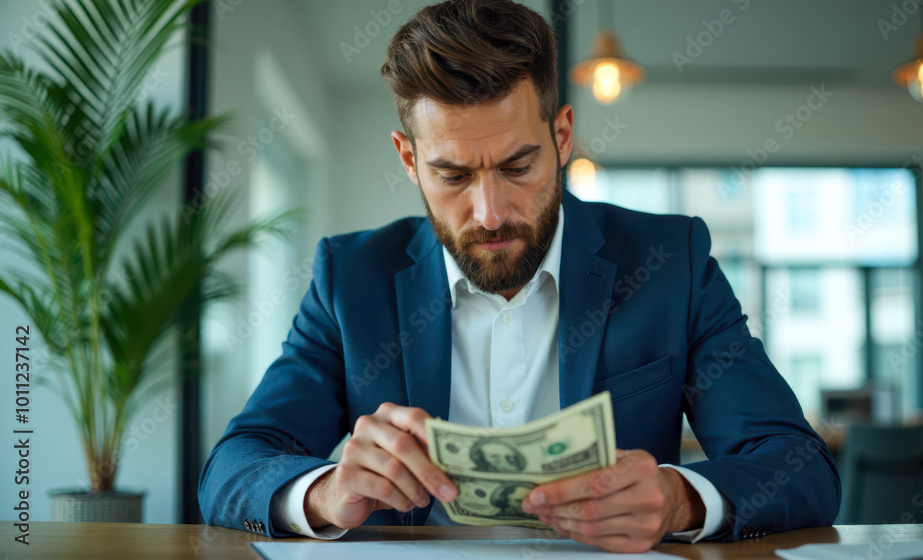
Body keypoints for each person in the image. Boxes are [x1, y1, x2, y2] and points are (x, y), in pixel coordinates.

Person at [199, 0, 840, 553]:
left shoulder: (673, 262)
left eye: (518, 165)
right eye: (453, 175)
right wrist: (324, 492)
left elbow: (800, 465)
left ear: (562, 136)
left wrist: (681, 500)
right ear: (409, 159)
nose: (490, 212)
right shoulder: (350, 278)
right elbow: (233, 466)